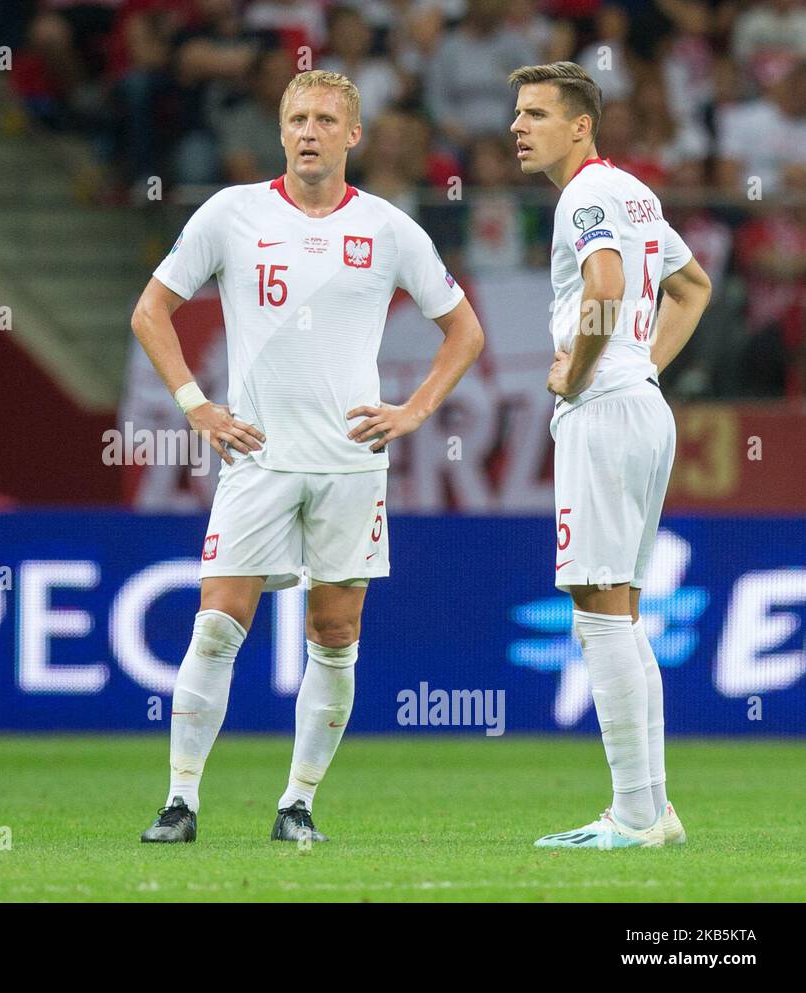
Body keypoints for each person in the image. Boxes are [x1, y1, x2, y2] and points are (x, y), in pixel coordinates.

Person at [129, 69, 485, 843]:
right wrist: (197, 406)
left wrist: (412, 412)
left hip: (350, 463)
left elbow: (465, 329)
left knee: (333, 633)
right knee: (217, 622)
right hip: (258, 457)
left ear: (353, 134)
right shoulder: (232, 214)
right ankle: (180, 800)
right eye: (297, 117)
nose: (309, 131)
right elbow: (151, 310)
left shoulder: (390, 229)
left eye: (326, 118)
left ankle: (297, 805)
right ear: (282, 129)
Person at [509, 61, 712, 849]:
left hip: (603, 411)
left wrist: (583, 365)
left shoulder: (585, 195)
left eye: (535, 114)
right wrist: (645, 362)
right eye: (517, 114)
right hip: (644, 404)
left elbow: (604, 280)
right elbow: (692, 286)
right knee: (620, 613)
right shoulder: (635, 193)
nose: (518, 127)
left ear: (580, 124)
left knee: (599, 613)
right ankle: (653, 809)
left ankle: (633, 814)